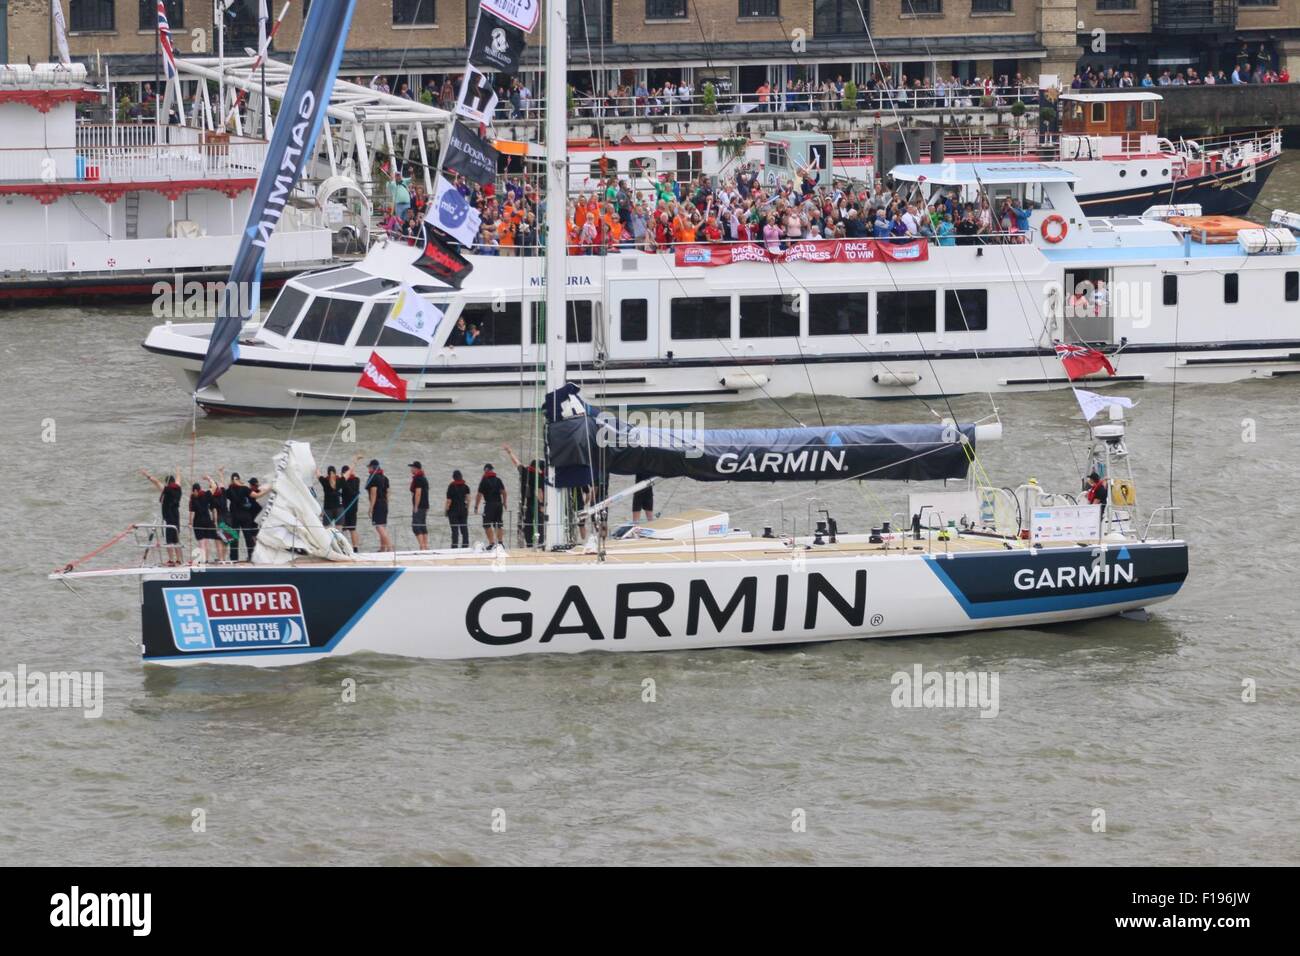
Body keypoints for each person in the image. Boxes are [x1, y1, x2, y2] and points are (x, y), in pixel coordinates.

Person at [503, 444, 546, 547]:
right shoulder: (539, 476)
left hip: (525, 504)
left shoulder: (524, 471)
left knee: (527, 524)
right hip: (535, 504)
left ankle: (529, 543)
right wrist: (542, 505)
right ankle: (539, 543)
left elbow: (516, 462)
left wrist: (510, 452)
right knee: (539, 523)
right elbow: (539, 492)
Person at [141, 468, 183, 566]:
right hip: (176, 517)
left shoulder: (167, 490)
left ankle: (171, 560)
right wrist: (178, 471)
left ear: (167, 483)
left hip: (169, 518)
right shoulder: (178, 488)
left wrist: (146, 475)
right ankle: (179, 560)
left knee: (169, 540)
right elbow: (178, 480)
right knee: (176, 539)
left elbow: (156, 482)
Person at [475, 462, 508, 549]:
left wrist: (476, 507)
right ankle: (500, 544)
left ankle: (492, 543)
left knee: (486, 524)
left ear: (485, 471)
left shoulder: (484, 481)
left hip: (489, 505)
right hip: (499, 504)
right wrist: (504, 502)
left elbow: (479, 495)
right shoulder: (498, 480)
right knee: (498, 524)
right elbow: (504, 492)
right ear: (492, 470)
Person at [225, 472, 254, 563]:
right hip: (241, 517)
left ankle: (237, 558)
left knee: (240, 538)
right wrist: (240, 483)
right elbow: (253, 494)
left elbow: (224, 490)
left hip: (238, 517)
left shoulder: (232, 490)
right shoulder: (242, 489)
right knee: (243, 537)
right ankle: (247, 557)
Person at [366, 459, 393, 552]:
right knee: (382, 526)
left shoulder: (372, 478)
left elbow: (373, 493)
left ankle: (390, 547)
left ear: (373, 467)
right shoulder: (385, 478)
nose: (368, 469)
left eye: (369, 467)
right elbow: (388, 492)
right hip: (384, 503)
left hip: (377, 504)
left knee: (379, 526)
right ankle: (383, 548)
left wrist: (371, 507)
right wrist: (387, 504)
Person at [189, 481, 219, 562]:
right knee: (206, 542)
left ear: (195, 490)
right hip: (207, 521)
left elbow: (191, 512)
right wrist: (208, 478)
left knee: (201, 542)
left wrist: (190, 523)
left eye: (193, 491)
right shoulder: (206, 494)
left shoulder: (193, 499)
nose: (192, 492)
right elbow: (214, 487)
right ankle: (206, 560)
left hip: (198, 522)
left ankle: (203, 560)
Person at [445, 469, 471, 548]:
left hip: (453, 511)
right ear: (461, 477)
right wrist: (467, 508)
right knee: (464, 529)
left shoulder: (451, 487)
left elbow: (449, 501)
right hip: (463, 510)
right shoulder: (466, 486)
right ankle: (465, 545)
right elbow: (468, 499)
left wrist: (446, 510)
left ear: (453, 477)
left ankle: (454, 546)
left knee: (454, 530)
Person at [340, 460, 362, 549]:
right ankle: (355, 547)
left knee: (344, 529)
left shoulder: (343, 482)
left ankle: (345, 547)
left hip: (345, 507)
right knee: (353, 528)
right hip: (354, 508)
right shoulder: (357, 480)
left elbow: (348, 491)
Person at [409, 460, 430, 550]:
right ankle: (425, 546)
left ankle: (422, 546)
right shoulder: (424, 478)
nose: (410, 469)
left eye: (412, 467)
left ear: (416, 468)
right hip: (425, 505)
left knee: (416, 526)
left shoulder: (418, 479)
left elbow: (418, 493)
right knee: (422, 525)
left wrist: (416, 506)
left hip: (420, 505)